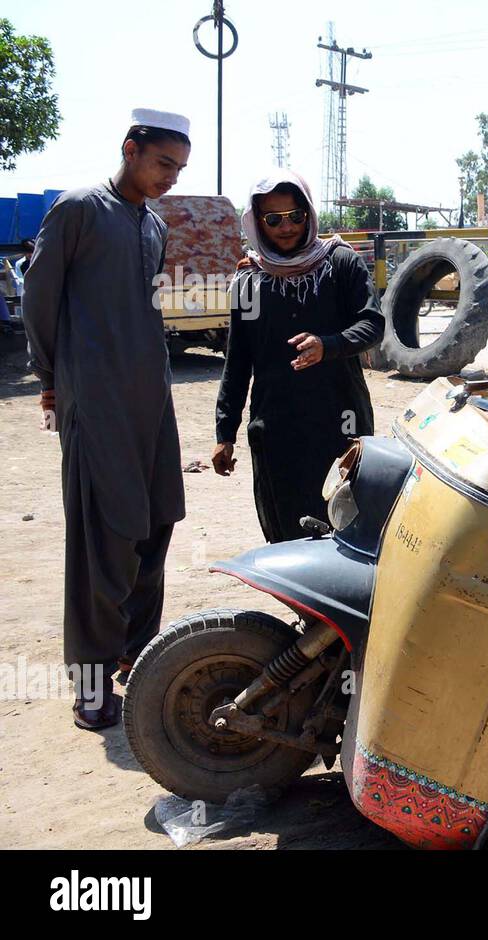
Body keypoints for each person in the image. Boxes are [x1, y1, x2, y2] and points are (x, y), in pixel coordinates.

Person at [24, 109, 190, 730]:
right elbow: (42, 300)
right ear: (131, 148)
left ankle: (135, 653)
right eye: (163, 164)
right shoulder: (77, 210)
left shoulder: (153, 224)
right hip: (93, 399)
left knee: (156, 522)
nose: (170, 178)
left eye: (178, 169)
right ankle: (90, 682)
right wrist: (51, 380)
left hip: (153, 397)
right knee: (102, 537)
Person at [214, 169, 383, 542]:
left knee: (348, 531)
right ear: (257, 222)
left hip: (340, 424)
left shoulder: (341, 264)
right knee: (285, 535)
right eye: (273, 219)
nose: (286, 227)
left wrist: (330, 345)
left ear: (309, 213)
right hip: (276, 432)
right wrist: (225, 433)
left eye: (296, 216)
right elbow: (238, 361)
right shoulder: (248, 282)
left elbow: (372, 325)